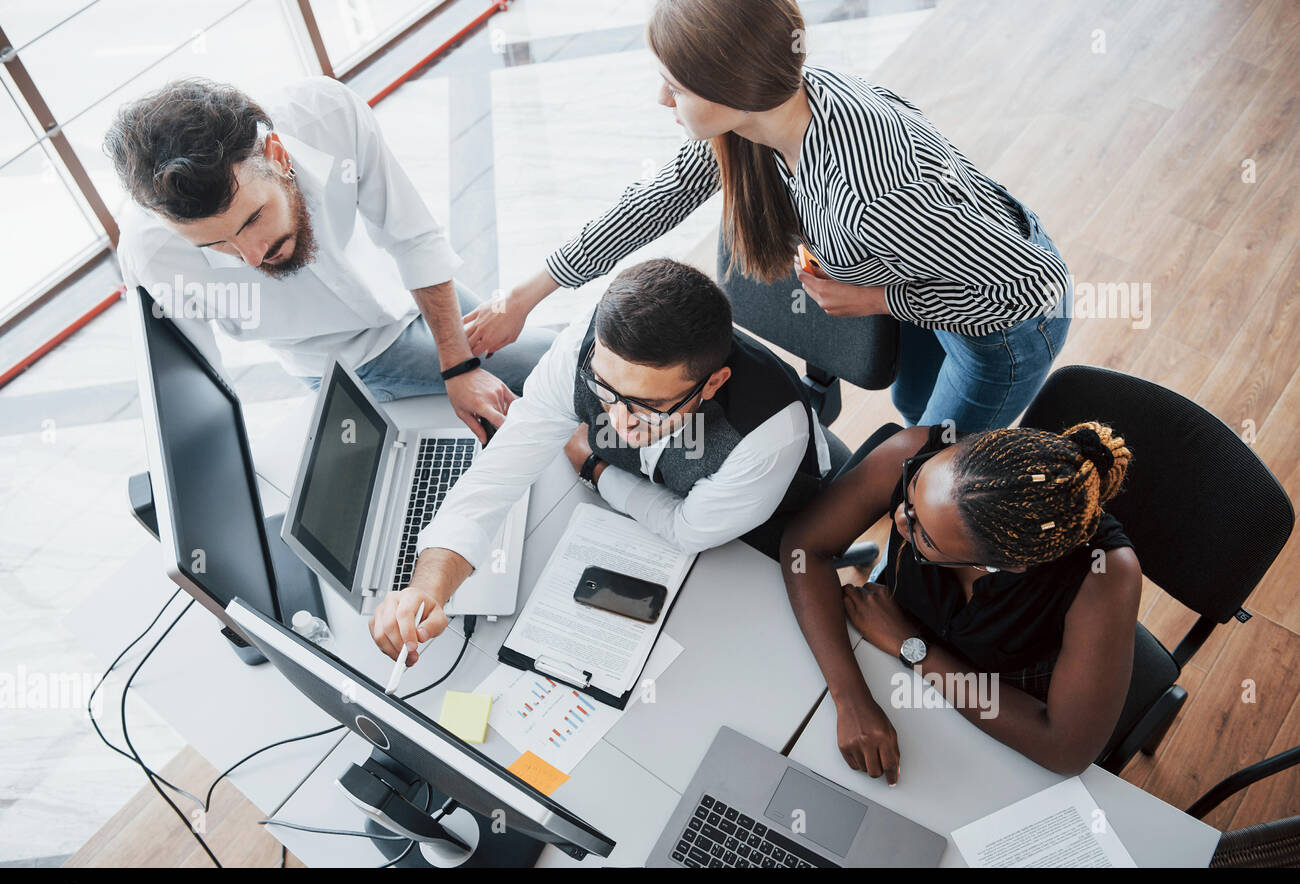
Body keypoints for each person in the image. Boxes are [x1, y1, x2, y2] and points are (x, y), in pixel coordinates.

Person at [460, 0, 1072, 433]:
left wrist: (887, 301)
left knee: (936, 459)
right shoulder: (772, 112)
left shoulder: (866, 203)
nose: (661, 99)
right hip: (936, 278)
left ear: (730, 88)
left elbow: (1033, 288)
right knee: (914, 407)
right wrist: (527, 293)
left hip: (1006, 323)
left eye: (676, 85)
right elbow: (657, 197)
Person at [369, 258, 831, 662]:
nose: (620, 422)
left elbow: (687, 529)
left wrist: (595, 469)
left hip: (762, 529)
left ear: (712, 384)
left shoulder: (766, 436)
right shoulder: (583, 350)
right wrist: (427, 589)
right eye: (606, 391)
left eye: (648, 406)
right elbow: (493, 481)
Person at [106, 76, 553, 443]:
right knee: (552, 365)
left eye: (253, 219)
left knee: (560, 363)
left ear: (277, 157)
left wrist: (458, 365)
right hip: (351, 357)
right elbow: (197, 386)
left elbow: (412, 237)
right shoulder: (152, 254)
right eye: (214, 245)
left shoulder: (328, 115)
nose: (252, 255)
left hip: (407, 286)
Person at [780, 421, 1140, 779]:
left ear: (1004, 565)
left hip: (996, 720)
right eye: (914, 488)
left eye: (925, 538)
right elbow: (804, 546)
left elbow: (1065, 749)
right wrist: (850, 698)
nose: (900, 518)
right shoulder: (918, 450)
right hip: (882, 658)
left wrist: (913, 648)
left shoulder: (1105, 574)